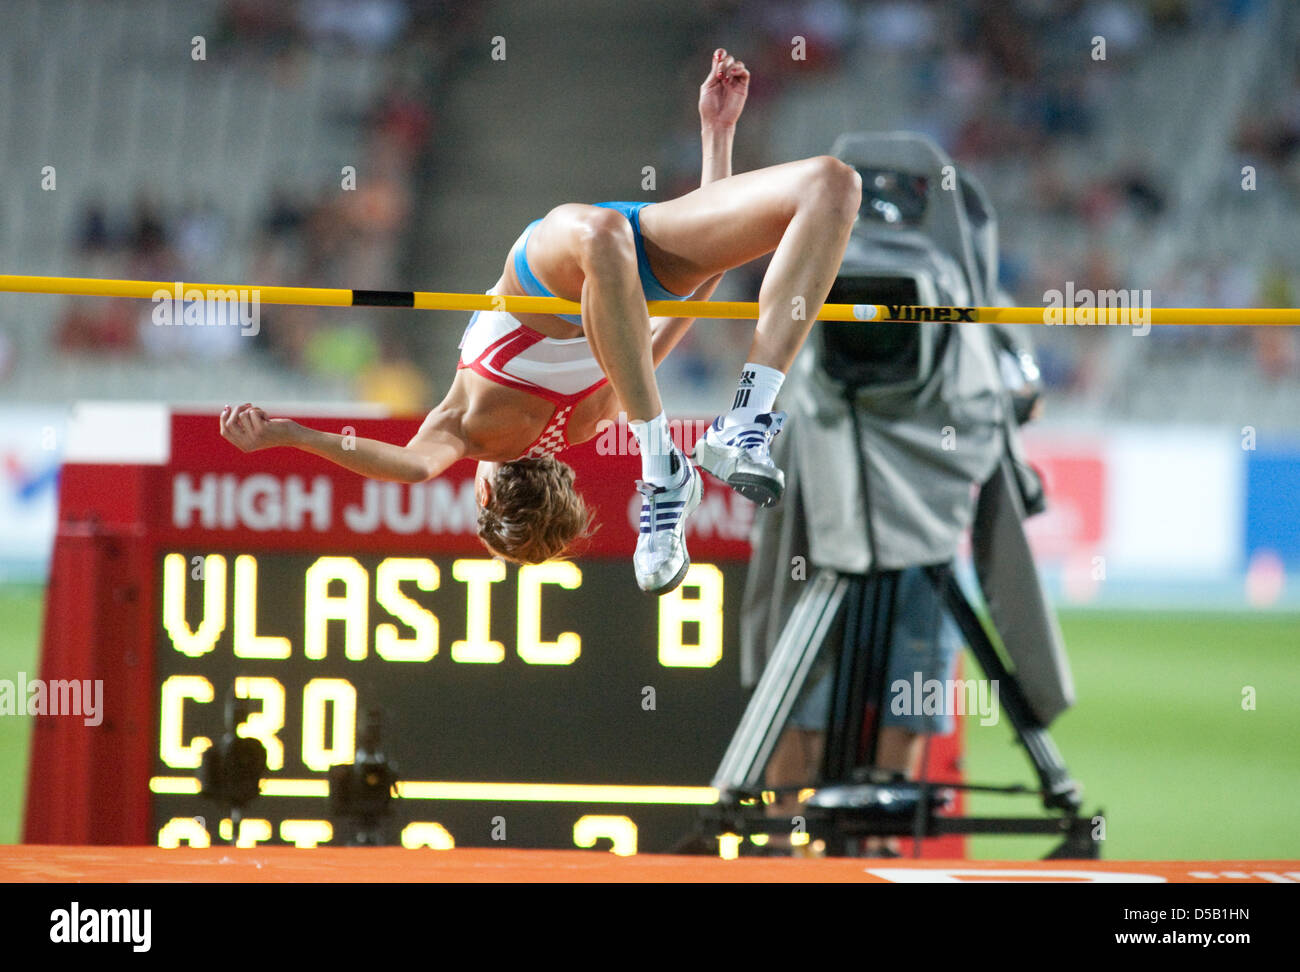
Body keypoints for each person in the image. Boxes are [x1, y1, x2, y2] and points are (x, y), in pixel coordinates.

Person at [220, 49, 862, 595]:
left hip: (592, 259)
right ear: (485, 497)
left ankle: (666, 459)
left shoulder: (595, 416)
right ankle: (747, 415)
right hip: (604, 253)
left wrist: (716, 139)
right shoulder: (486, 430)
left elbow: (696, 293)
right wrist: (289, 434)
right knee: (832, 187)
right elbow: (409, 469)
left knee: (620, 232)